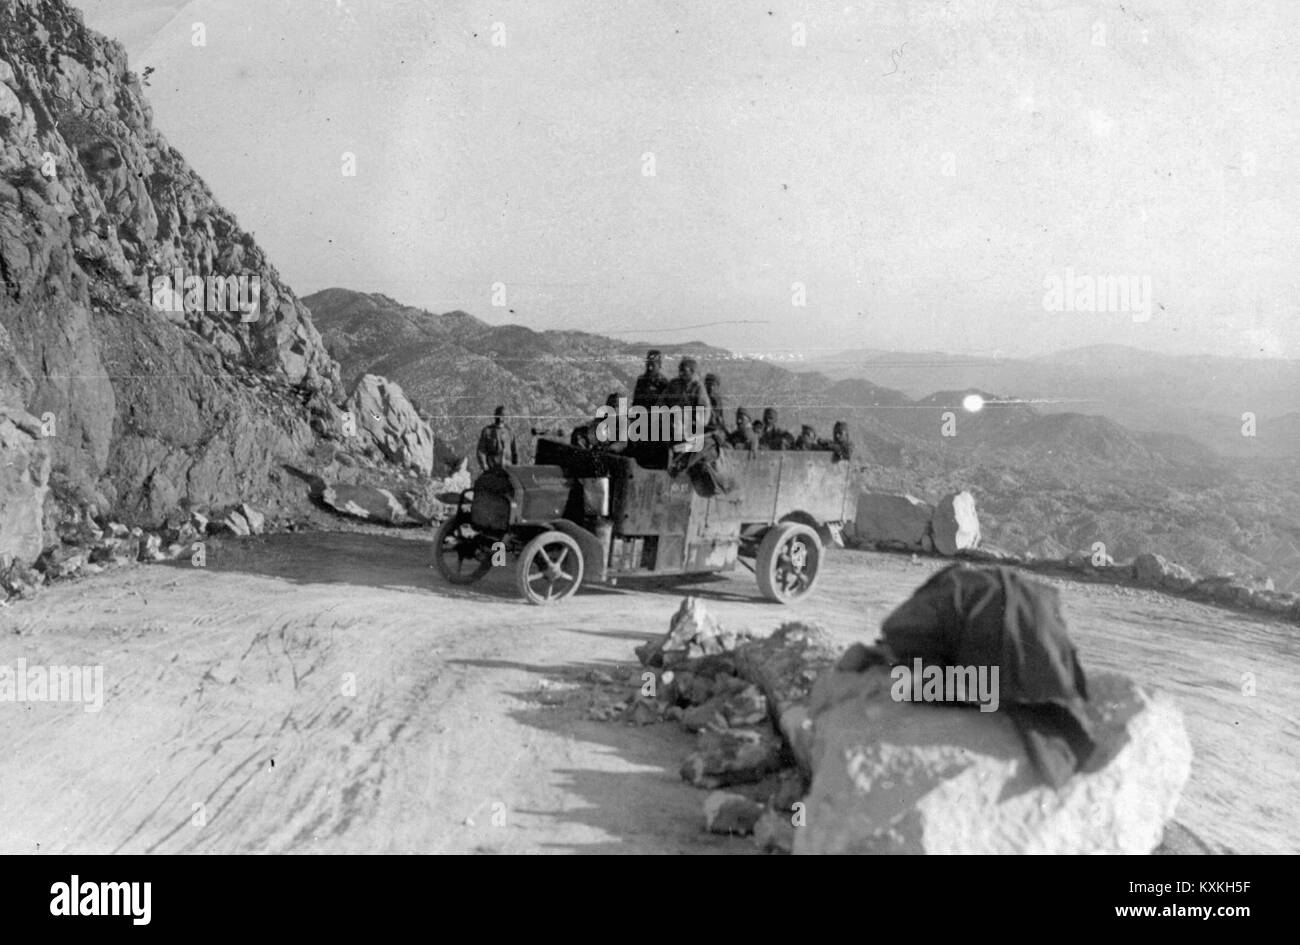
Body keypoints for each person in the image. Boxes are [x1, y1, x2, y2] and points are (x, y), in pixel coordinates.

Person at [476, 406, 518, 471]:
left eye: (502, 415)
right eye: (498, 414)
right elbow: (481, 450)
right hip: (492, 469)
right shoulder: (487, 431)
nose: (500, 417)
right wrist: (484, 464)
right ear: (495, 415)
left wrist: (515, 467)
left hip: (508, 469)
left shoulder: (509, 432)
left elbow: (514, 451)